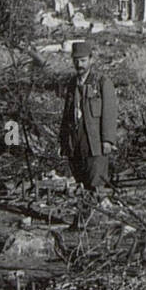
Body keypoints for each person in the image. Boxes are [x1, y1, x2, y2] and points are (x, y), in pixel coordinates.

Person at [61, 41, 119, 195]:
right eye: (76, 61)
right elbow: (66, 115)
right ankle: (81, 215)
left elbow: (109, 113)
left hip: (95, 141)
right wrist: (63, 141)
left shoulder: (102, 83)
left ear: (91, 60)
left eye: (83, 61)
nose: (79, 64)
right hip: (75, 141)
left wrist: (108, 140)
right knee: (79, 183)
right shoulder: (72, 84)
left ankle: (97, 215)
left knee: (96, 182)